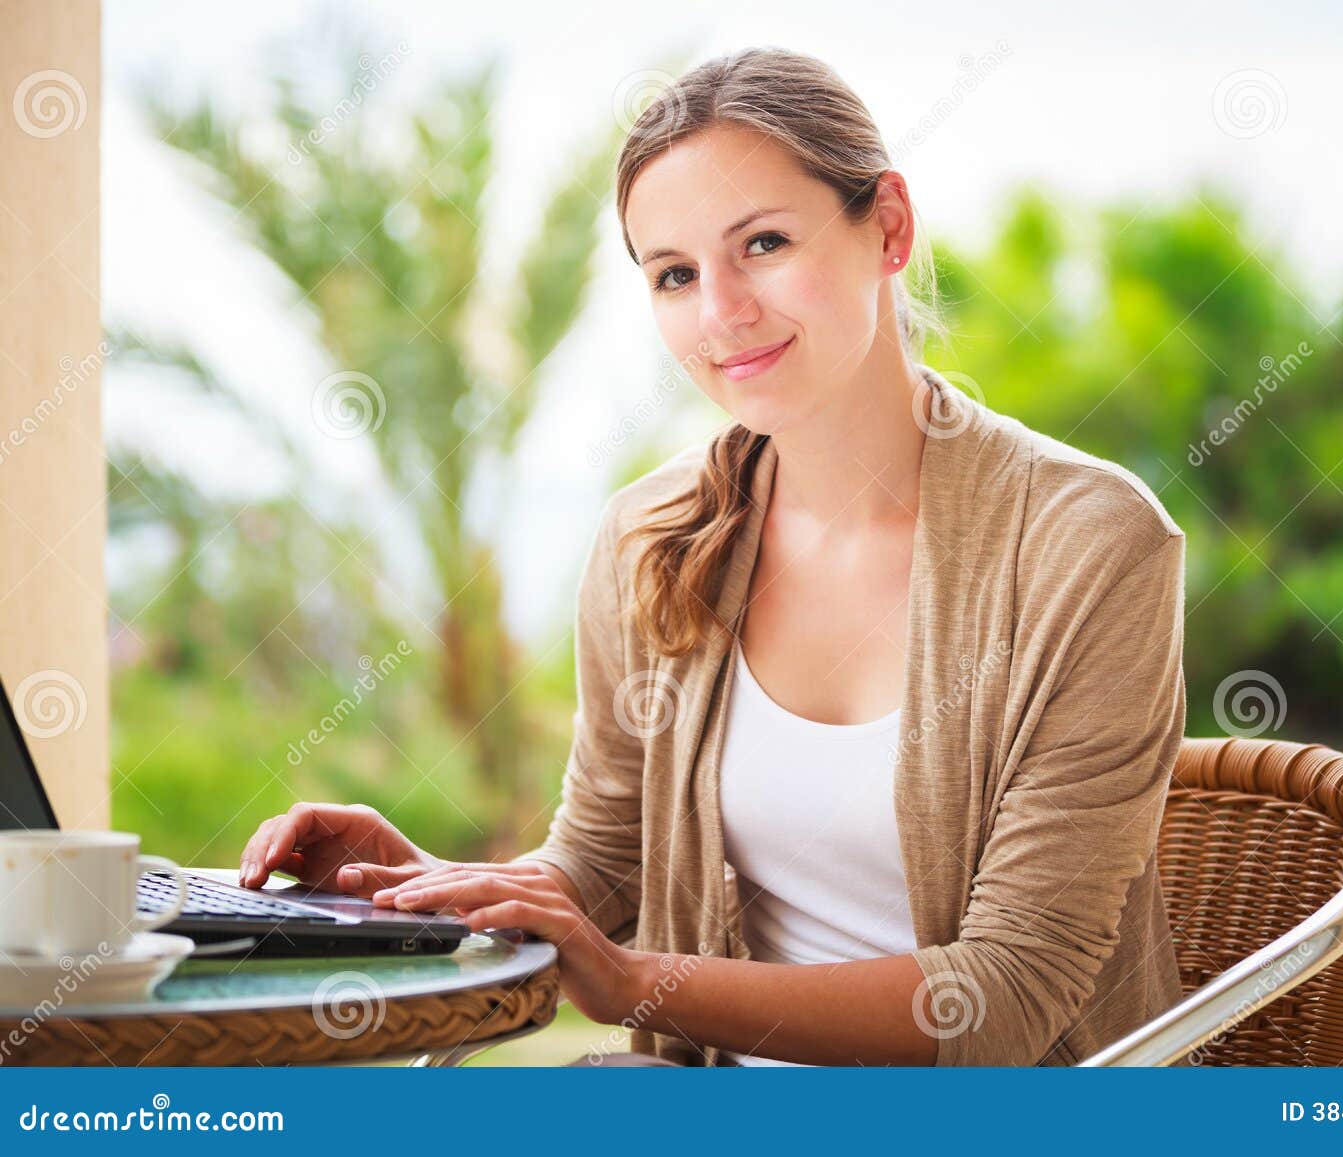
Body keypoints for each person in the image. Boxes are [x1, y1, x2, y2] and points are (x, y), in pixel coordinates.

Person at [239, 46, 1189, 1067]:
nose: (721, 313)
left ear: (891, 228)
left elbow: (1007, 993)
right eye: (675, 275)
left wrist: (640, 981)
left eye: (766, 243)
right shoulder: (650, 538)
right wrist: (423, 889)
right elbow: (605, 861)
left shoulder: (1088, 544)